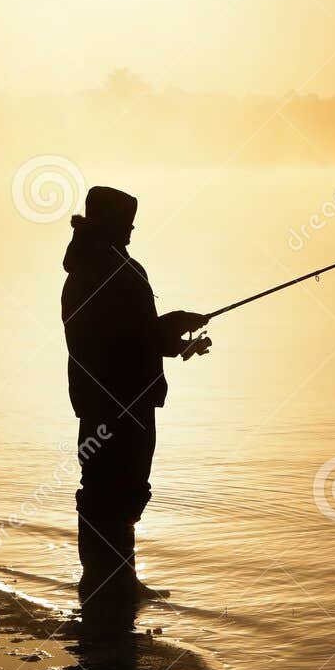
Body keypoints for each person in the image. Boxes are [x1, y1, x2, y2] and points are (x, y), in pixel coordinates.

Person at [61, 186, 210, 626]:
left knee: (120, 488)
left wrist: (168, 334)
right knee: (110, 488)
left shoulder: (105, 264)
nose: (131, 228)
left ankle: (117, 580)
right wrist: (169, 329)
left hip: (123, 398)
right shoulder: (97, 270)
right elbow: (114, 340)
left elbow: (131, 335)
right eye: (126, 221)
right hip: (113, 401)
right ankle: (105, 586)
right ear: (106, 221)